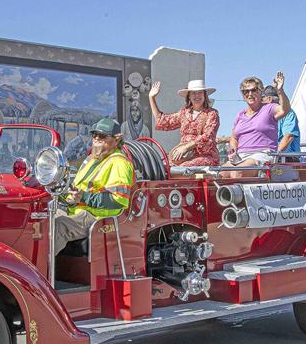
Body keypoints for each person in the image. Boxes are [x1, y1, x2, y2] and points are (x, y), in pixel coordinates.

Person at [53, 118, 134, 255]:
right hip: (78, 212)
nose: (96, 139)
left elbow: (119, 200)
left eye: (102, 136)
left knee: (60, 225)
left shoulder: (120, 163)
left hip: (98, 219)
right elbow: (78, 189)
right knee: (43, 218)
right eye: (94, 135)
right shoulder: (91, 160)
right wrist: (60, 193)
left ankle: (41, 270)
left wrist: (84, 198)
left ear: (117, 140)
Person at [226, 73, 291, 177]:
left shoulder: (269, 108)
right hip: (241, 156)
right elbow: (234, 137)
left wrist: (280, 90)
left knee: (238, 172)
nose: (250, 94)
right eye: (246, 91)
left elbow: (285, 109)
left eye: (254, 90)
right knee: (218, 174)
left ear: (261, 92)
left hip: (262, 154)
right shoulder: (240, 115)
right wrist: (233, 153)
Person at [149, 79, 220, 167]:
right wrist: (151, 98)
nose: (197, 95)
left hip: (205, 156)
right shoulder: (184, 113)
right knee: (162, 166)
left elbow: (208, 136)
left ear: (205, 95)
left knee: (183, 168)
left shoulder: (212, 114)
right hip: (184, 156)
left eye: (200, 92)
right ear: (189, 96)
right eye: (193, 93)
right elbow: (163, 121)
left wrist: (186, 147)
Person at [262, 85, 300, 160]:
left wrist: (274, 157)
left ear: (269, 99)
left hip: (286, 158)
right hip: (267, 156)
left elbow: (288, 137)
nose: (259, 103)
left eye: (261, 99)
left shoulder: (288, 113)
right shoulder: (262, 116)